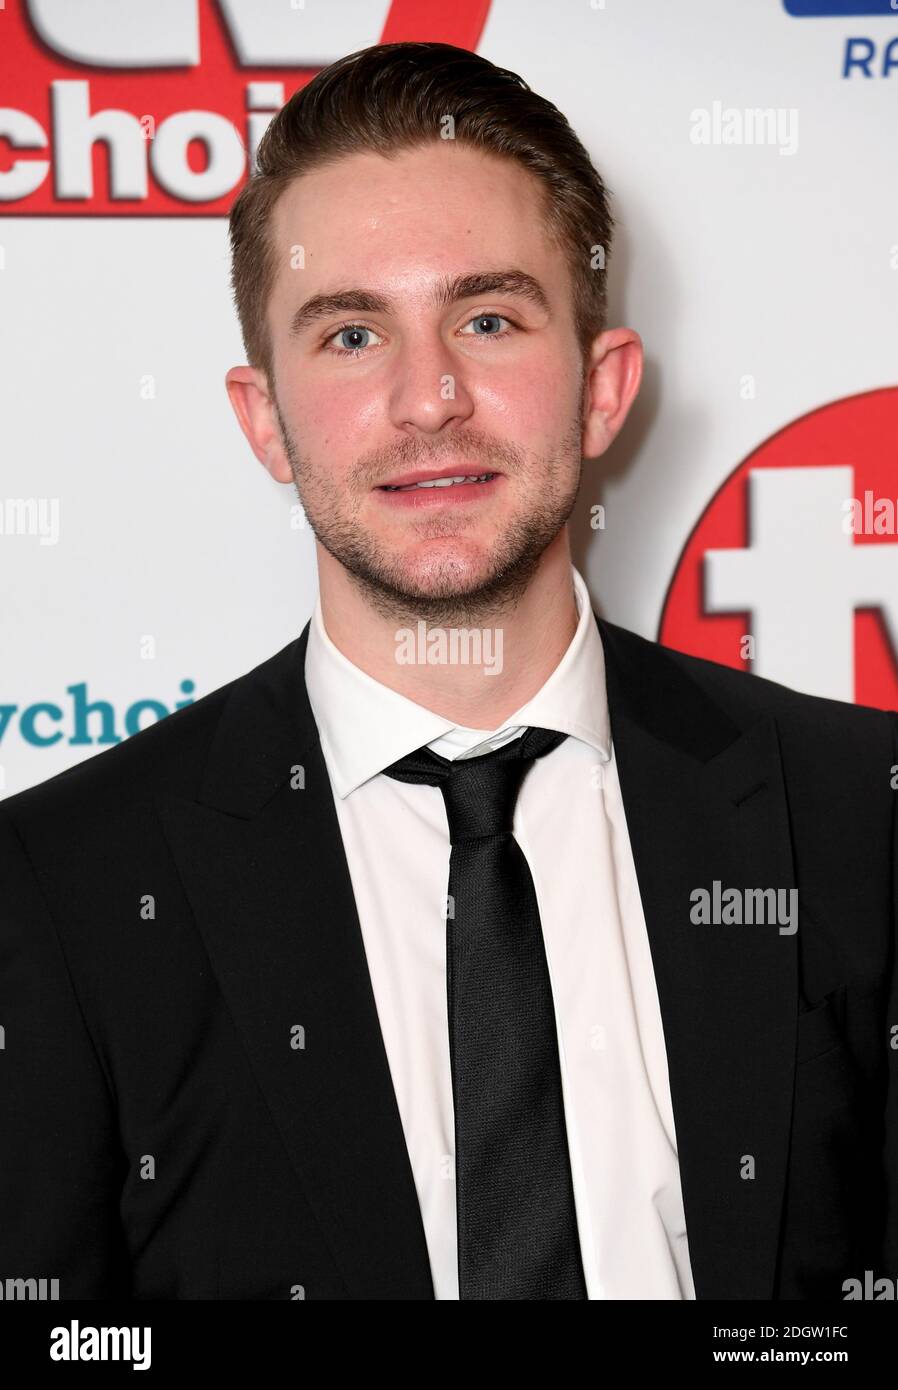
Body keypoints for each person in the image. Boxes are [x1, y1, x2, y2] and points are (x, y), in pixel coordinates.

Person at [1, 42, 895, 1302]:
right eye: (352, 331)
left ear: (600, 389)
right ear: (265, 421)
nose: (428, 398)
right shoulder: (62, 889)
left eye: (486, 318)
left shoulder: (862, 813)